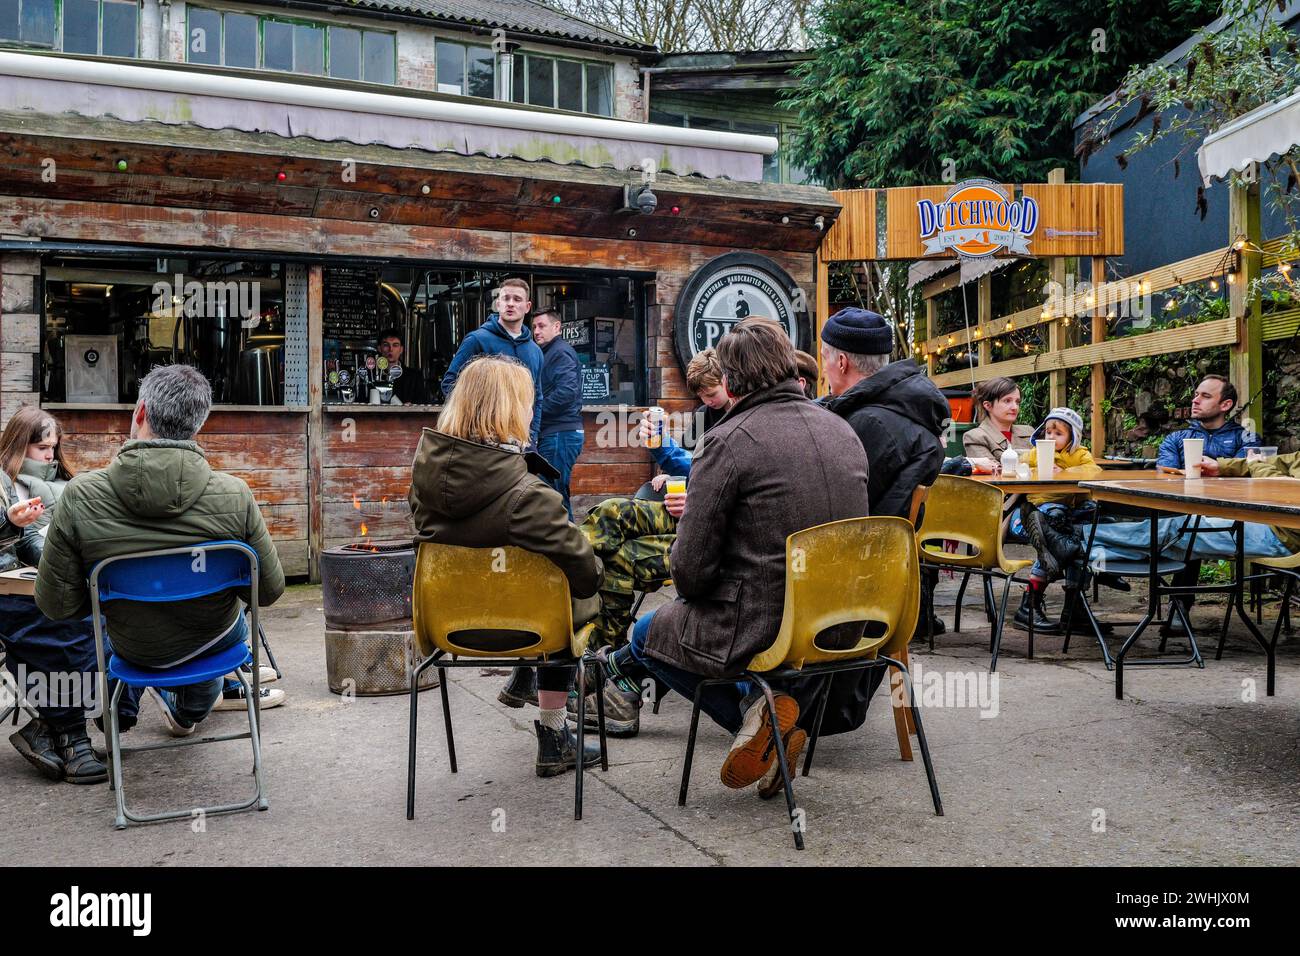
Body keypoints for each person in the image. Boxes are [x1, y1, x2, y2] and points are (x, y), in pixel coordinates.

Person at [597, 318, 871, 796]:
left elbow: (690, 573)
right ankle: (768, 715)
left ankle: (761, 721)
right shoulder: (842, 431)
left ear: (728, 380)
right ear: (790, 367)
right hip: (848, 619)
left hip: (765, 622)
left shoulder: (726, 441)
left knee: (647, 632)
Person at [36, 365, 286, 740]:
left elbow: (56, 605)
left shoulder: (79, 495)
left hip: (133, 646)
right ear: (197, 426)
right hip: (215, 641)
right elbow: (268, 591)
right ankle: (187, 709)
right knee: (212, 655)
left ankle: (141, 704)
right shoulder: (235, 494)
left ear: (140, 413)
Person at [409, 354, 602, 777]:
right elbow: (583, 568)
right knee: (575, 596)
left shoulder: (422, 478)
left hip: (446, 626)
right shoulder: (529, 495)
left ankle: (523, 676)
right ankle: (554, 734)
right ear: (512, 409)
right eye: (528, 400)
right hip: (527, 628)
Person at [0, 407, 117, 783]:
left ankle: (52, 729)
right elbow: (19, 536)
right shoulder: (2, 482)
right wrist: (9, 524)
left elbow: (34, 541)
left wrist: (61, 564)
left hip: (25, 582)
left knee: (92, 615)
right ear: (19, 445)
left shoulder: (58, 483)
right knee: (55, 625)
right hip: (4, 588)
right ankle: (72, 735)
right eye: (41, 447)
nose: (49, 455)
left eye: (53, 447)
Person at [819, 308, 947, 520]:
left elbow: (834, 508)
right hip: (894, 544)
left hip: (861, 546)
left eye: (825, 359)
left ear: (842, 362)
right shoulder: (910, 409)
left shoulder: (867, 425)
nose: (824, 369)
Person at [1011, 408, 1099, 633]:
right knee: (1062, 536)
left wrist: (1065, 472)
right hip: (1041, 506)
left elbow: (1093, 470)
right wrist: (1035, 470)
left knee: (1080, 532)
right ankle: (1041, 606)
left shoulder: (1078, 454)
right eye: (1048, 432)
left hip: (1069, 508)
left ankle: (1062, 608)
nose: (1051, 437)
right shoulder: (1036, 452)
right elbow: (1019, 465)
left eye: (1058, 433)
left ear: (1073, 437)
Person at [440, 278, 544, 447]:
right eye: (505, 298)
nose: (510, 304)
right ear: (498, 303)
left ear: (527, 306)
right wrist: (475, 424)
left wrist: (533, 435)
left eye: (517, 299)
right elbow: (450, 383)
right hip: (482, 441)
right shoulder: (477, 339)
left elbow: (537, 397)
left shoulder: (535, 351)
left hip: (521, 441)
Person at [530, 310, 584, 519]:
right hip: (556, 434)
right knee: (551, 497)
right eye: (534, 327)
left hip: (561, 434)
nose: (536, 331)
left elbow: (567, 392)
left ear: (557, 327)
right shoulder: (546, 353)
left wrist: (536, 411)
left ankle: (571, 549)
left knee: (554, 498)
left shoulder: (560, 352)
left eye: (541, 326)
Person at [1157, 375, 1259, 469]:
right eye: (1196, 395)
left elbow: (1242, 473)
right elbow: (1168, 477)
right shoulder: (1175, 439)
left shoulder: (1247, 439)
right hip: (1186, 489)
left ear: (1225, 405)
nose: (1195, 401)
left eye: (1206, 396)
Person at [963, 377, 1035, 461]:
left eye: (1017, 402)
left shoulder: (1029, 432)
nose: (1015, 407)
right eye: (1007, 401)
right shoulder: (975, 437)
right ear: (988, 405)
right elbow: (993, 471)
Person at [376, 329, 433, 405]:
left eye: (395, 345)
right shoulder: (371, 375)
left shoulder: (414, 376)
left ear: (401, 349)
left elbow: (422, 404)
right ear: (379, 348)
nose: (391, 349)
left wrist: (412, 406)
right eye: (386, 345)